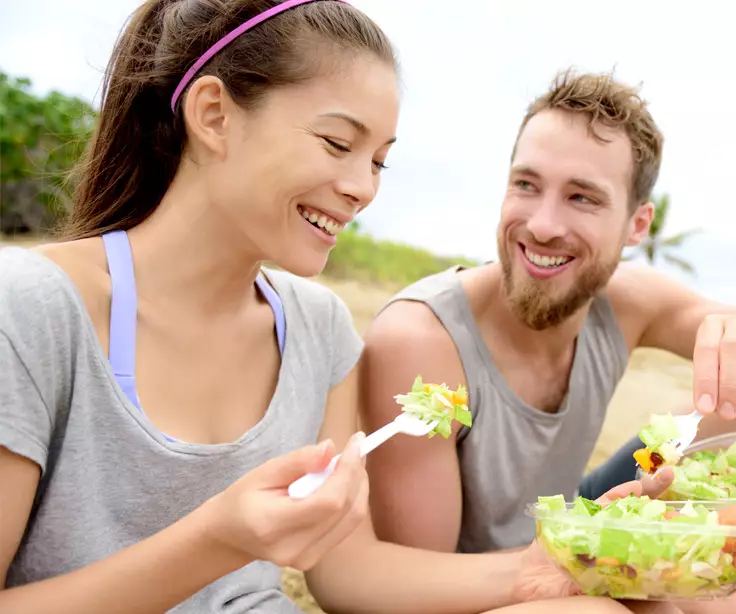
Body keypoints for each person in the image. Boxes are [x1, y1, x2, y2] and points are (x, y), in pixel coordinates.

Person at [0, 2, 673, 613]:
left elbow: (346, 574)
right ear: (213, 115)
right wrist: (218, 537)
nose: (361, 188)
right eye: (336, 143)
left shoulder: (317, 328)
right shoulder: (33, 309)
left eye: (379, 161)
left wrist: (545, 567)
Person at [361, 69, 736, 613]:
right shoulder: (422, 340)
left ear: (638, 225)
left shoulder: (626, 304)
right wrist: (618, 554)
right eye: (527, 185)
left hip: (576, 510)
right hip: (483, 578)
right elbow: (419, 584)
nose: (542, 224)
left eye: (582, 197)